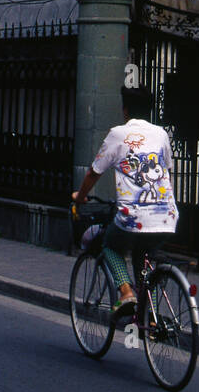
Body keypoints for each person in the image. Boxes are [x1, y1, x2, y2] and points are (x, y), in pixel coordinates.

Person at [72, 84, 178, 313]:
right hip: (166, 216)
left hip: (133, 216)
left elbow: (94, 172)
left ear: (125, 110)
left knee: (110, 246)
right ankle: (148, 316)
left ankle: (126, 292)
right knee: (143, 254)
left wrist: (80, 197)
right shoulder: (161, 134)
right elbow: (167, 169)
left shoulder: (118, 134)